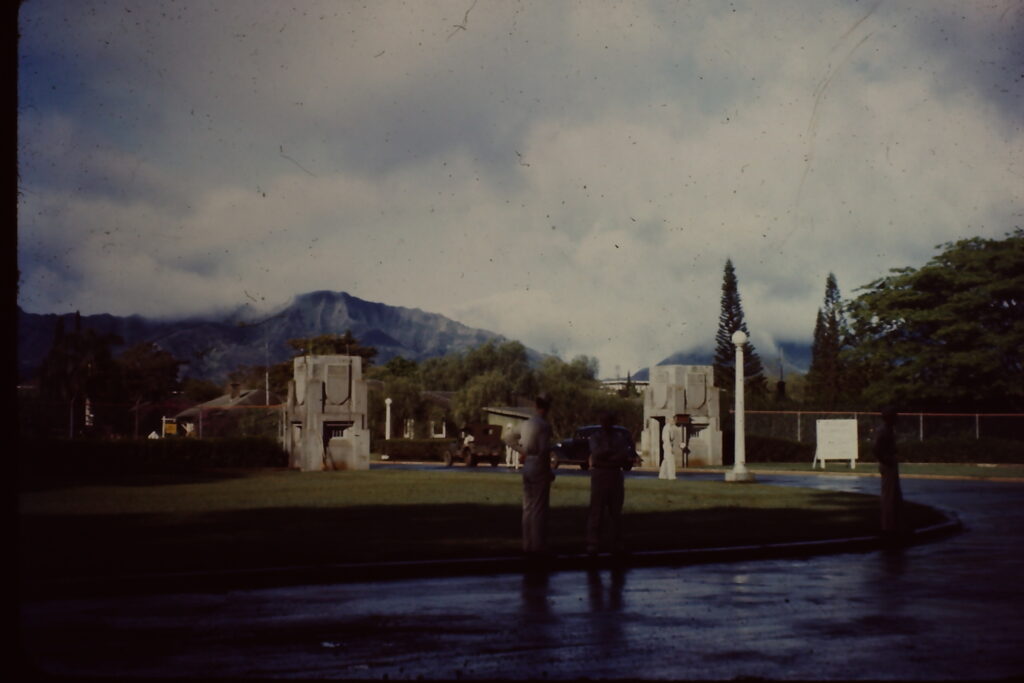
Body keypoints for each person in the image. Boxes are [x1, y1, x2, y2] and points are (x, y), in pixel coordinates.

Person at [506, 394, 555, 559]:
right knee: (539, 507)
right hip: (539, 465)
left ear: (536, 406)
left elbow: (508, 437)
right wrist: (548, 471)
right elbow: (544, 450)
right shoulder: (544, 426)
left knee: (527, 507)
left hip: (528, 464)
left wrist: (522, 451)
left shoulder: (526, 424)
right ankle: (538, 545)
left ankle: (527, 544)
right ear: (547, 408)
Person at [586, 413, 636, 556]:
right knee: (597, 509)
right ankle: (593, 542)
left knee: (615, 510)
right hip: (601, 474)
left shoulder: (619, 438)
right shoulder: (595, 437)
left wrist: (606, 456)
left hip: (614, 474)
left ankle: (616, 542)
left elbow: (622, 456)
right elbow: (596, 455)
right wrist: (611, 455)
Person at [875, 406, 904, 543]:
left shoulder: (888, 430)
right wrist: (886, 459)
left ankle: (894, 524)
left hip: (889, 462)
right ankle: (887, 527)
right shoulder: (884, 430)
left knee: (894, 495)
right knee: (889, 496)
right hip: (888, 464)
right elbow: (877, 449)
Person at [659, 415, 683, 480]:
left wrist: (680, 444)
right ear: (670, 420)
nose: (674, 421)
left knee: (666, 461)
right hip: (667, 445)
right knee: (670, 461)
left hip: (668, 445)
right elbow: (666, 439)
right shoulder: (667, 428)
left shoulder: (672, 427)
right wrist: (670, 448)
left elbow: (676, 436)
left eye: (675, 420)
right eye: (673, 420)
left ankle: (662, 475)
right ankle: (671, 476)